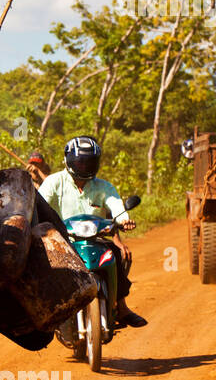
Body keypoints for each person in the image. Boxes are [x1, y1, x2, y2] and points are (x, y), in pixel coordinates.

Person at [38, 136, 147, 328]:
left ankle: (122, 307)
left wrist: (123, 219)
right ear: (69, 160)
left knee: (114, 255)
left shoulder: (103, 187)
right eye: (80, 161)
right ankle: (48, 309)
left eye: (89, 162)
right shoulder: (54, 182)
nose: (84, 166)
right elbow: (40, 203)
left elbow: (115, 204)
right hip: (63, 240)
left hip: (96, 239)